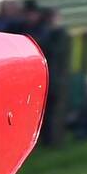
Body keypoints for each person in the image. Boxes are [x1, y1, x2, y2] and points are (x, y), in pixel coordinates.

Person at [37, 7, 72, 146]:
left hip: (58, 78)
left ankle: (55, 140)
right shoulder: (50, 34)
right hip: (53, 77)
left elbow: (55, 52)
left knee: (56, 111)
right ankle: (50, 140)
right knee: (50, 111)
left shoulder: (60, 35)